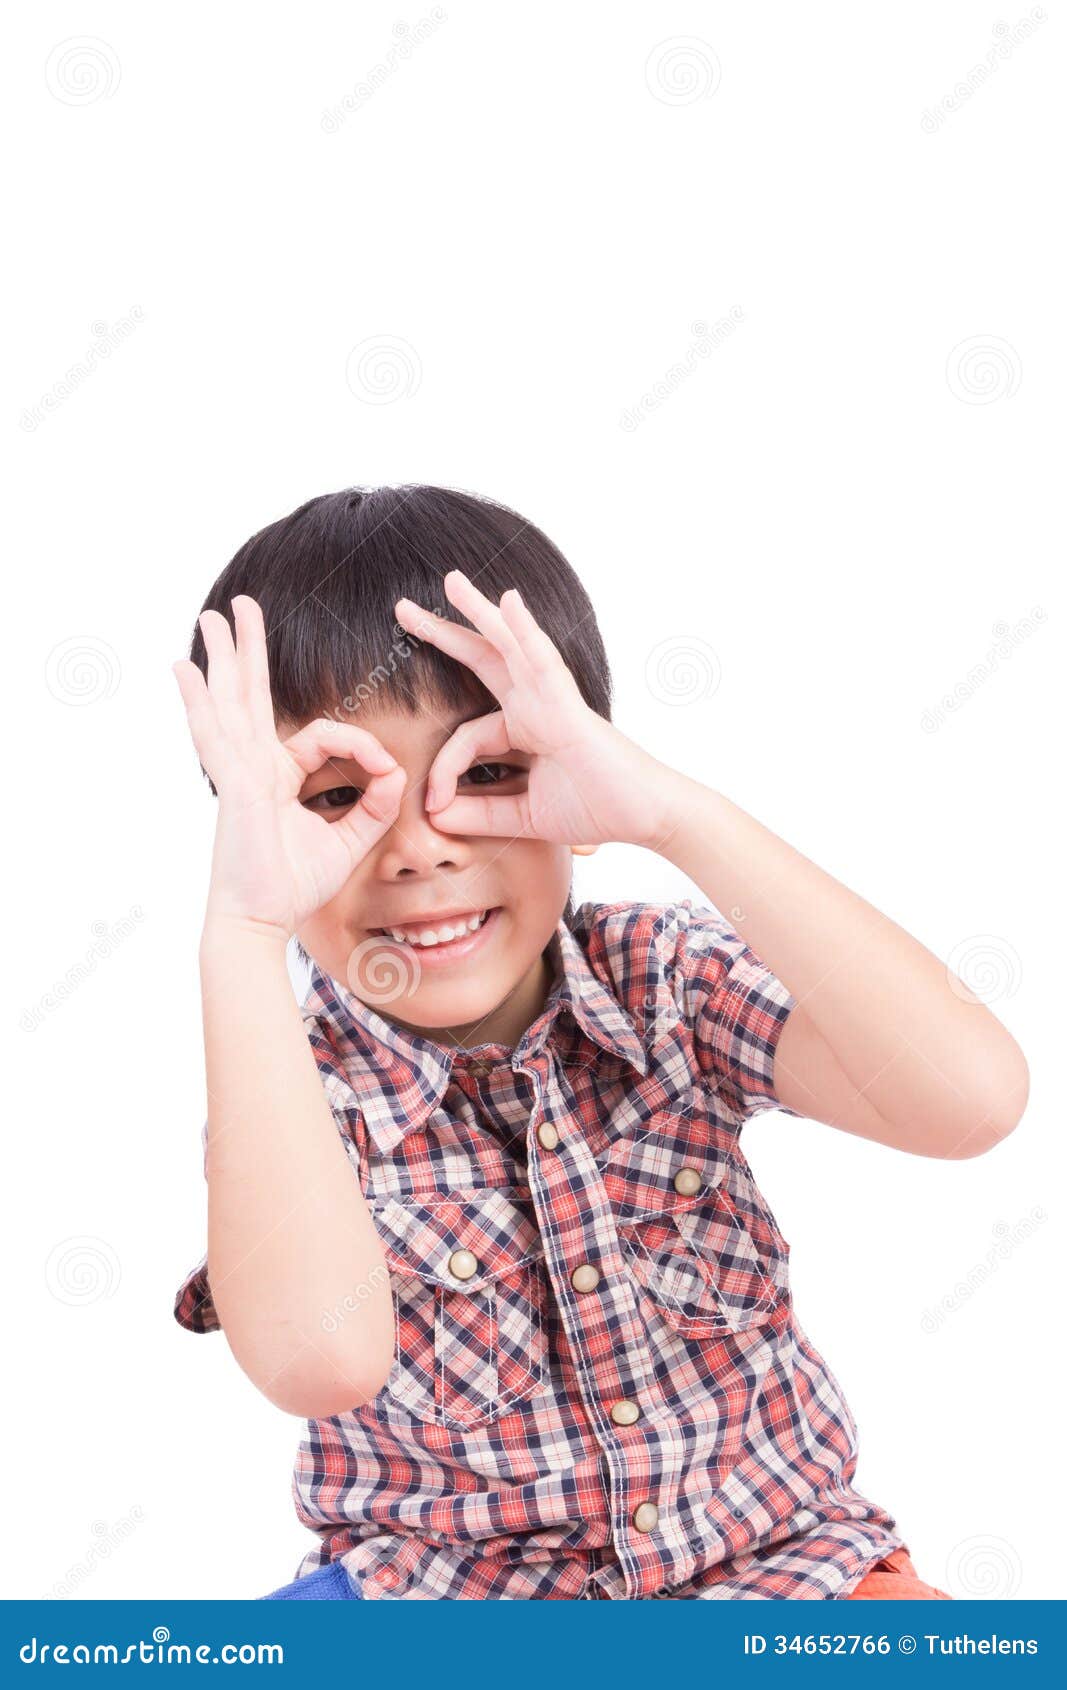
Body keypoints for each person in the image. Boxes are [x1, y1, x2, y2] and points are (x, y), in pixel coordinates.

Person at [171, 484, 1026, 1600]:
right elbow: (316, 1360)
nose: (422, 847)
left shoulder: (661, 980)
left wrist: (670, 814)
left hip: (773, 1572)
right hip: (437, 1596)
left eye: (485, 771)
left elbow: (968, 1099)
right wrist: (241, 929)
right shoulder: (295, 1087)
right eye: (338, 798)